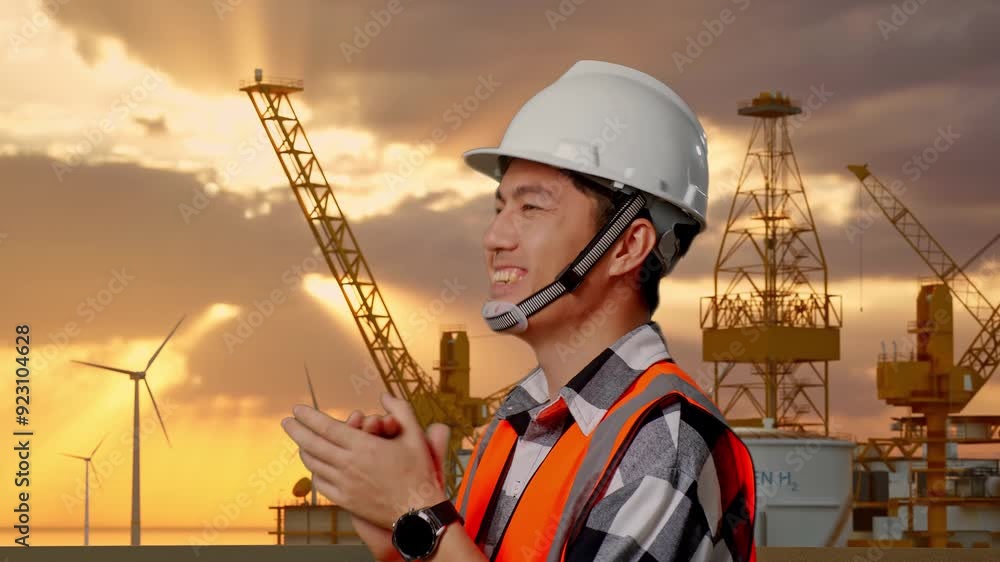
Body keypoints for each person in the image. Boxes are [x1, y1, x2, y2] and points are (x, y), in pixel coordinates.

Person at [282, 60, 757, 561]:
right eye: (500, 207)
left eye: (531, 208)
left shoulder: (666, 440)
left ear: (626, 246)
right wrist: (401, 543)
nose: (494, 238)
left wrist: (420, 512)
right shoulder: (521, 421)